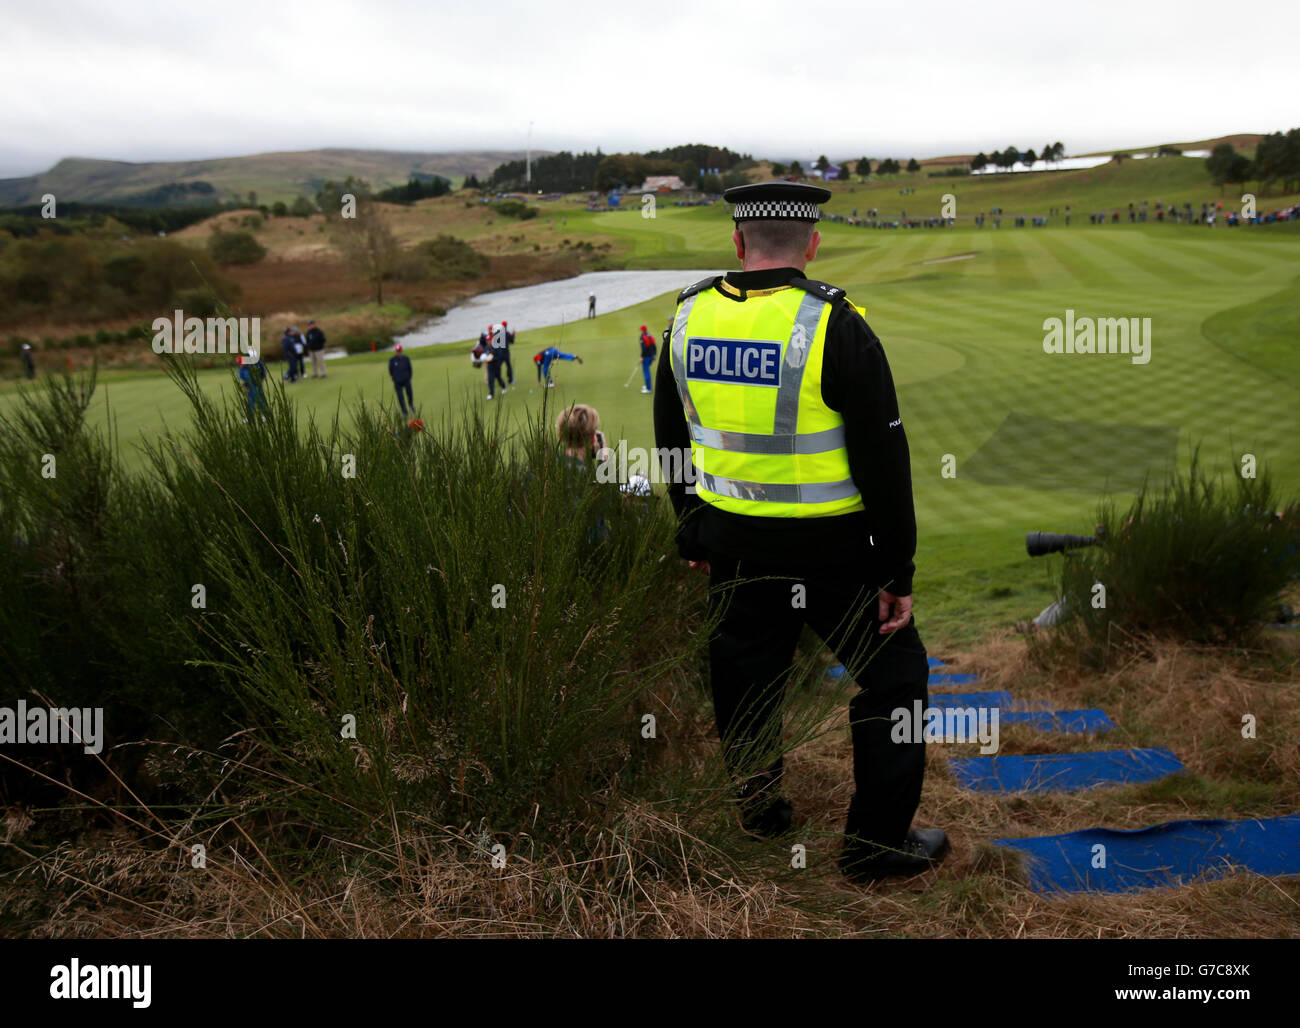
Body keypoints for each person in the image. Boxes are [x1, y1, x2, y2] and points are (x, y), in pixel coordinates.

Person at [652, 180, 946, 884]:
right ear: (811, 244)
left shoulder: (684, 321)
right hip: (837, 555)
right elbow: (885, 460)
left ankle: (759, 813)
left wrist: (691, 529)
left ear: (737, 242)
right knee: (896, 681)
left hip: (735, 548)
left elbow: (670, 438)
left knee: (745, 681)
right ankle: (874, 847)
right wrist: (896, 571)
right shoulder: (834, 324)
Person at [235, 353, 268, 418]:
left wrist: (260, 380)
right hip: (250, 387)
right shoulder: (241, 370)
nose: (241, 365)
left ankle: (265, 414)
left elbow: (262, 373)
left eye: (241, 363)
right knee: (251, 400)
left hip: (257, 385)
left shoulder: (253, 365)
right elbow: (244, 380)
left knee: (260, 399)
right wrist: (245, 386)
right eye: (240, 363)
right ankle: (250, 415)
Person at [388, 343, 414, 416]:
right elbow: (390, 370)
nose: (398, 352)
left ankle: (411, 405)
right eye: (397, 351)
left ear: (401, 351)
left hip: (406, 380)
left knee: (410, 394)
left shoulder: (406, 358)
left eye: (399, 351)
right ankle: (404, 412)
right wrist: (394, 378)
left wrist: (409, 377)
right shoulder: (392, 360)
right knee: (400, 398)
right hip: (397, 382)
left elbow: (410, 369)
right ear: (396, 351)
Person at [484, 323, 506, 400]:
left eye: (489, 340)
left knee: (499, 378)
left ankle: (503, 386)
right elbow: (485, 355)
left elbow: (500, 356)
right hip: (490, 366)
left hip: (496, 366)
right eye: (487, 340)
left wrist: (493, 358)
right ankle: (491, 394)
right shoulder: (486, 348)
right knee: (490, 380)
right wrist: (485, 359)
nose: (488, 341)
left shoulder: (497, 346)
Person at [637, 324, 657, 394]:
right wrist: (654, 355)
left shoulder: (642, 337)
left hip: (646, 357)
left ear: (642, 330)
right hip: (651, 356)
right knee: (647, 371)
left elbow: (644, 348)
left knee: (646, 372)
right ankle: (647, 385)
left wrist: (642, 356)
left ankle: (648, 389)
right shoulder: (649, 335)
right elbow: (654, 346)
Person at [499, 320, 516, 385]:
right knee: (508, 366)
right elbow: (512, 341)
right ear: (506, 326)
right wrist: (514, 335)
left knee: (498, 366)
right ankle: (510, 380)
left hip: (499, 352)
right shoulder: (507, 333)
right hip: (505, 352)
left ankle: (499, 379)